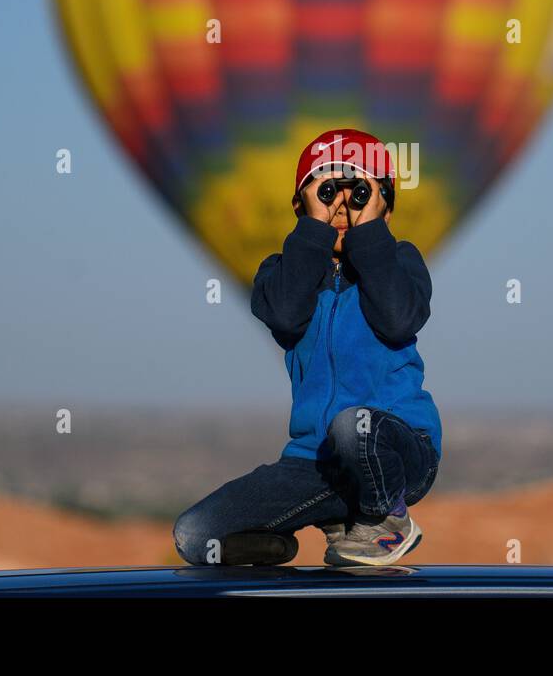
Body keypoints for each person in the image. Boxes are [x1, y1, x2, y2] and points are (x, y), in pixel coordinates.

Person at [173, 128, 442, 566]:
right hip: (317, 463)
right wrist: (313, 232)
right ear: (300, 206)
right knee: (194, 536)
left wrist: (368, 231)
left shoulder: (400, 262)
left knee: (352, 425)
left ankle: (386, 521)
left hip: (397, 452)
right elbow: (284, 316)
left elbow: (399, 319)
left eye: (359, 193)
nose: (340, 206)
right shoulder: (281, 274)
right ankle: (330, 522)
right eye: (327, 191)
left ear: (385, 209)